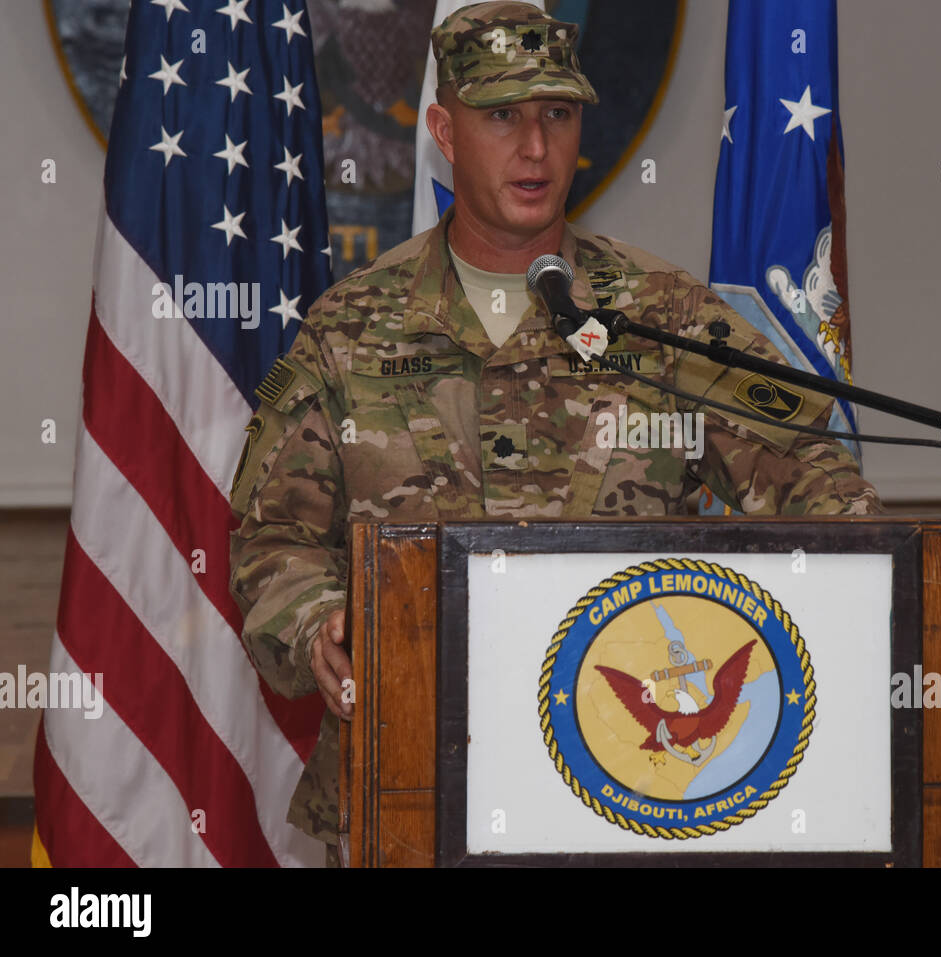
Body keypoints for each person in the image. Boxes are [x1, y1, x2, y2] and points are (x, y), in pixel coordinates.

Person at [228, 0, 881, 866]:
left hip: (631, 779)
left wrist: (858, 582)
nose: (536, 148)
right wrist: (319, 622)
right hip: (414, 780)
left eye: (558, 115)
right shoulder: (352, 327)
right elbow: (274, 537)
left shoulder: (660, 316)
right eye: (501, 117)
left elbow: (810, 470)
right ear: (443, 132)